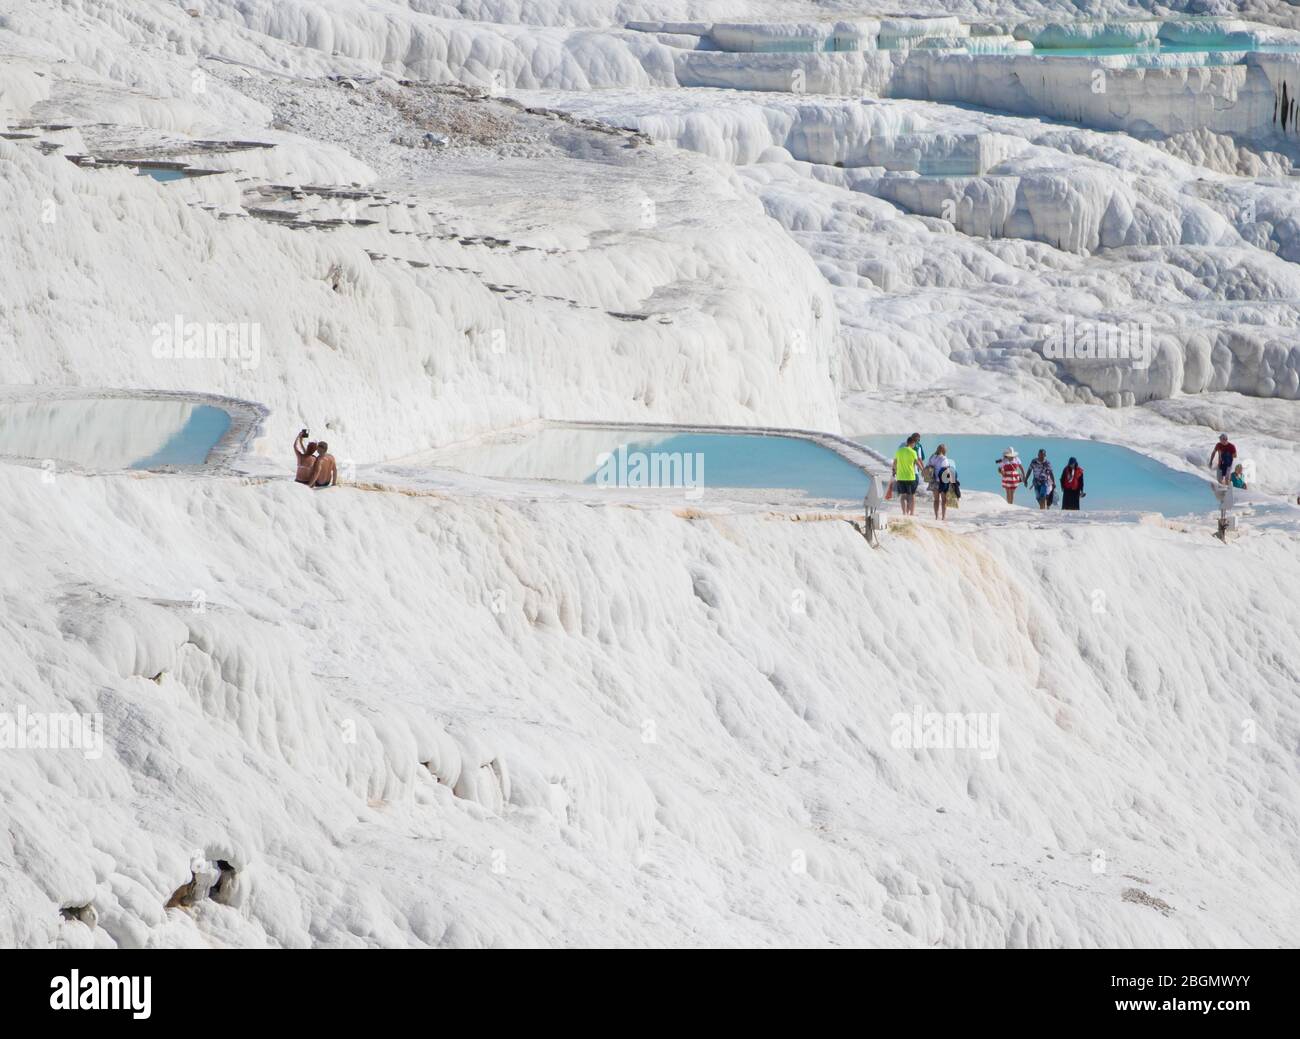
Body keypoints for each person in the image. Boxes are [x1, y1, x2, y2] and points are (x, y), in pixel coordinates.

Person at [891, 433, 924, 516]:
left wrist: (894, 471)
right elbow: (917, 463)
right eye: (914, 444)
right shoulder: (913, 452)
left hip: (900, 477)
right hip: (910, 477)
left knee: (903, 496)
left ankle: (904, 513)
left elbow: (895, 463)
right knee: (911, 496)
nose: (914, 445)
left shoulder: (899, 451)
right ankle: (912, 513)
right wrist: (923, 471)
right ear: (912, 443)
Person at [925, 443, 955, 521]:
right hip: (942, 481)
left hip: (933, 481)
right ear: (944, 450)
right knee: (944, 500)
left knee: (936, 500)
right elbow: (947, 470)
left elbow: (927, 467)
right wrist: (952, 481)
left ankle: (936, 516)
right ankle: (943, 517)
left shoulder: (932, 457)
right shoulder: (944, 459)